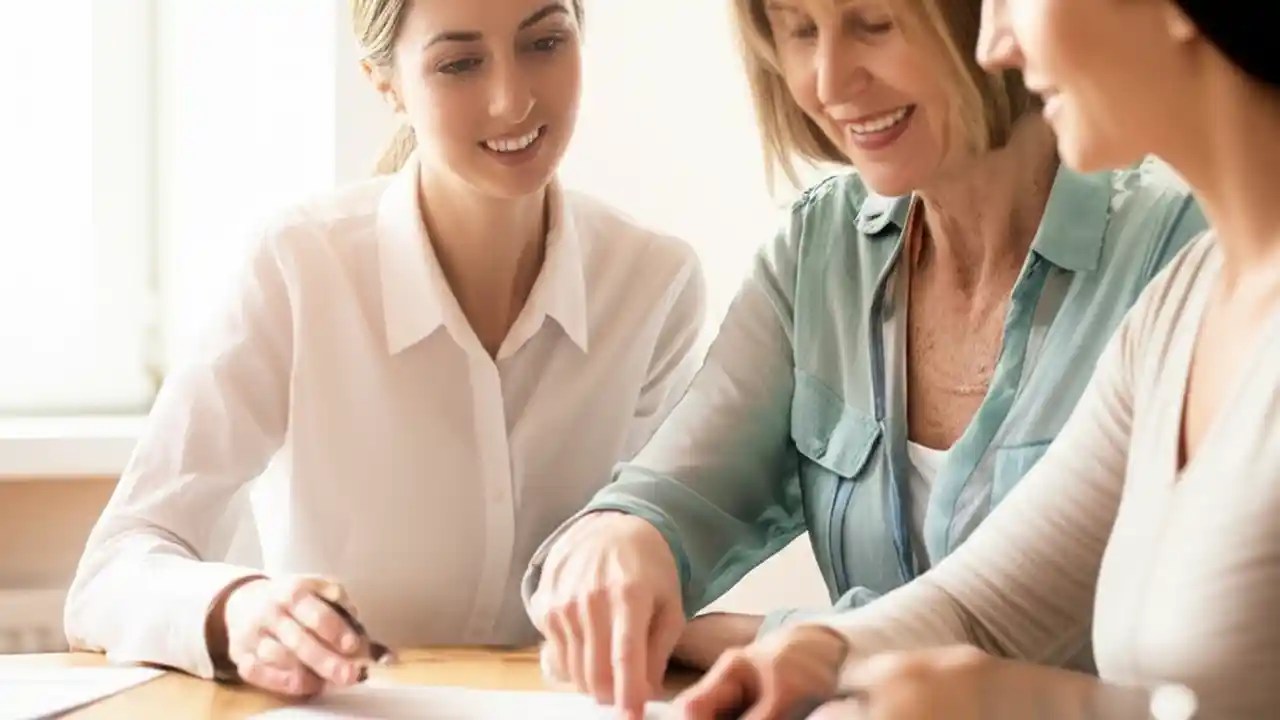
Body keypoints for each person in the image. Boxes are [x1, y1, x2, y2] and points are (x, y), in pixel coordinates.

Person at [524, 0, 1207, 715]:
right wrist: (618, 541)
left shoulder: (1183, 250)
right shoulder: (819, 251)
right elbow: (668, 498)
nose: (829, 80)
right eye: (800, 30)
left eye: (874, 24)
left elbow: (1036, 640)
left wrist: (774, 638)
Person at [63, 0, 706, 699]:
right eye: (459, 63)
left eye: (545, 41)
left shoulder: (653, 284)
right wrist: (239, 610)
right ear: (386, 83)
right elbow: (112, 571)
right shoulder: (298, 267)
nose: (513, 98)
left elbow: (652, 555)